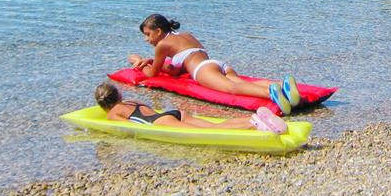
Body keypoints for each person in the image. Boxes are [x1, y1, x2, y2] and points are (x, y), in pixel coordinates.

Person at [130, 14, 301, 114]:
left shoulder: (162, 45)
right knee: (240, 83)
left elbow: (152, 74)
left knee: (231, 89)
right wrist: (152, 60)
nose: (147, 39)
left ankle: (271, 93)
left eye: (147, 34)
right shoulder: (185, 35)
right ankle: (280, 84)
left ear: (158, 32)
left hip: (201, 69)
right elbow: (175, 69)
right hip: (218, 63)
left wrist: (139, 62)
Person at [94, 80, 287, 133]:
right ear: (119, 95)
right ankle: (254, 117)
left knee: (212, 132)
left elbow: (130, 127)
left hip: (161, 122)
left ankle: (254, 124)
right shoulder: (132, 102)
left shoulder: (113, 114)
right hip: (175, 113)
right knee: (213, 126)